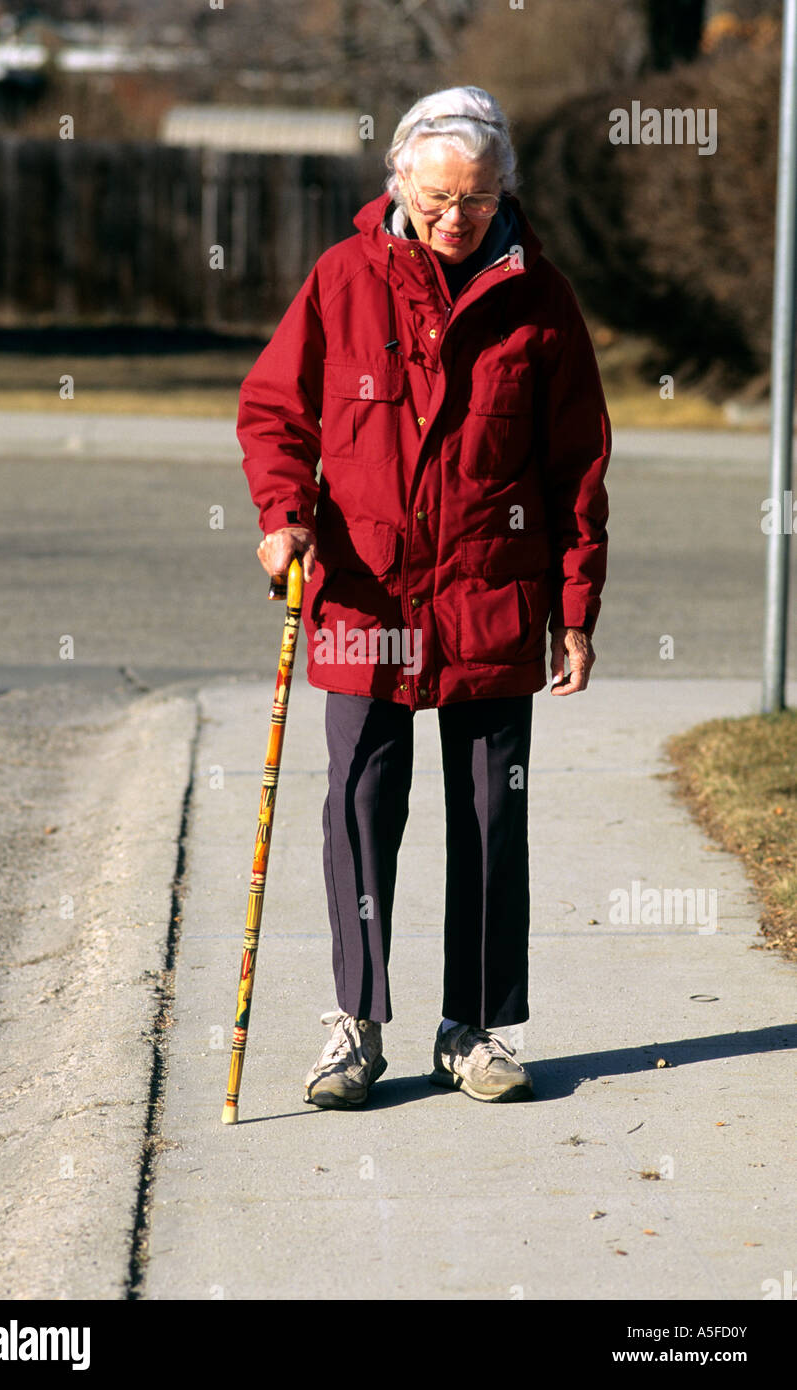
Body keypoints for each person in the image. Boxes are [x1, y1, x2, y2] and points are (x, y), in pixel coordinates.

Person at [237, 85, 610, 1109]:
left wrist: (575, 608)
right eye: (439, 197)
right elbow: (274, 413)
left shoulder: (543, 301)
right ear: (396, 178)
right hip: (365, 594)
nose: (456, 220)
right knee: (359, 806)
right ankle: (356, 1023)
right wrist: (283, 515)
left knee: (493, 813)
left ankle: (475, 1025)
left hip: (491, 590)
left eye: (479, 204)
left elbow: (578, 466)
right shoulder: (342, 279)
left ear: (505, 198)